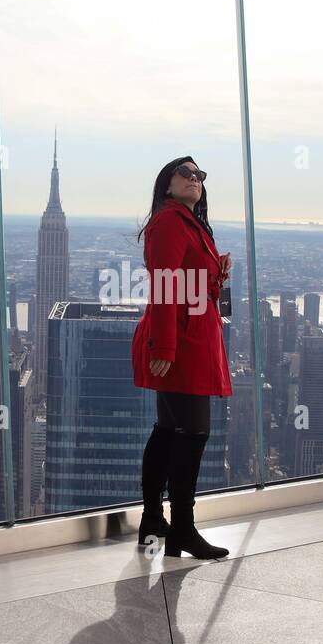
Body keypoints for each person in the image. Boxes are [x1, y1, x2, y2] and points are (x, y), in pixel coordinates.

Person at [130, 156, 233, 560]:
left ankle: (155, 520)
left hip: (190, 337)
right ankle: (182, 530)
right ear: (167, 183)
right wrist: (164, 348)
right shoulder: (171, 221)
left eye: (200, 175)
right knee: (193, 433)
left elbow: (187, 280)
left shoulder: (189, 223)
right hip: (183, 343)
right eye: (185, 173)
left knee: (169, 431)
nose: (195, 179)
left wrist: (217, 273)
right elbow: (164, 284)